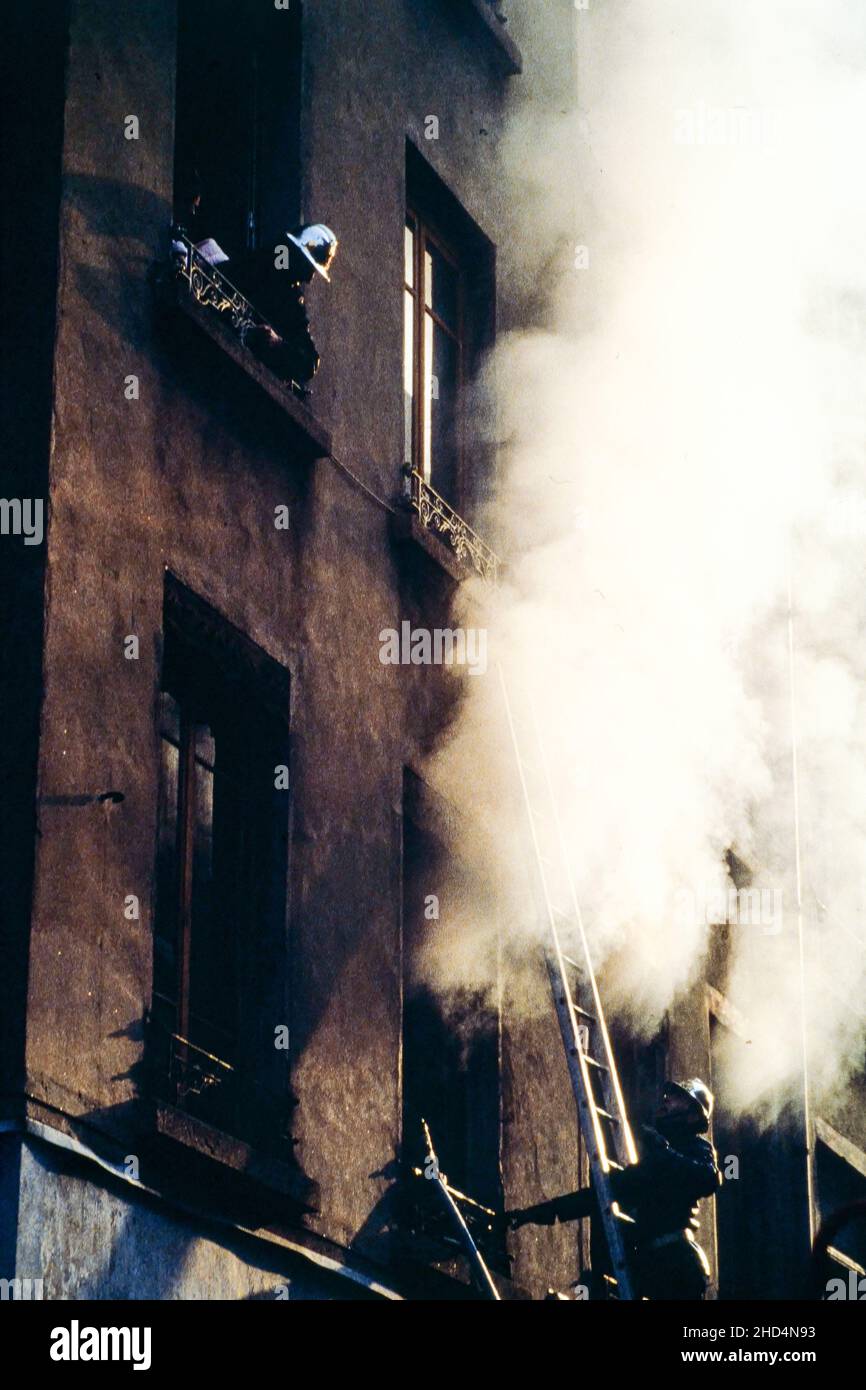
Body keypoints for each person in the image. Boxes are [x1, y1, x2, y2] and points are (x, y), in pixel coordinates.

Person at [506, 1078, 722, 1300]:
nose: (666, 1099)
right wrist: (532, 1214)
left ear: (693, 1114)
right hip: (650, 1264)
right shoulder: (650, 1166)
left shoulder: (696, 1148)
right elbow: (599, 1195)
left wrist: (661, 1150)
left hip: (678, 1265)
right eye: (669, 1094)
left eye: (678, 1097)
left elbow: (708, 1178)